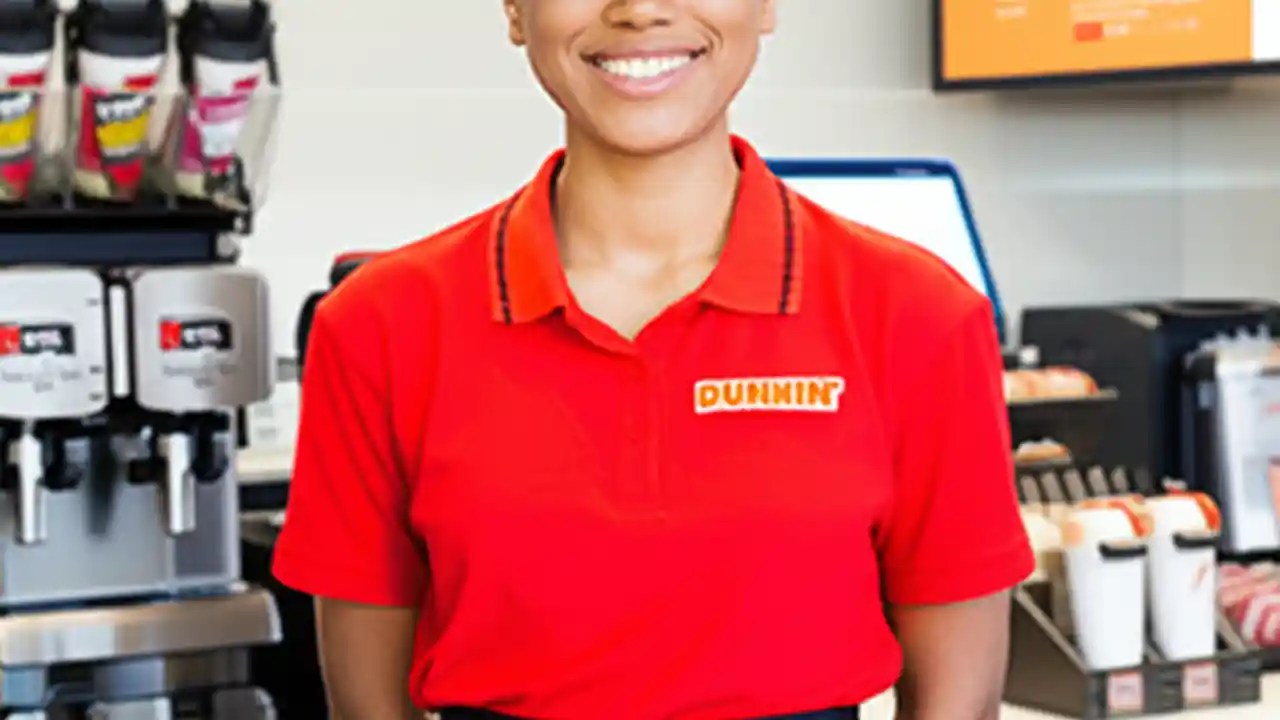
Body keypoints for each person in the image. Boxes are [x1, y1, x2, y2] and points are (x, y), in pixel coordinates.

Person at [271, 1, 1035, 719]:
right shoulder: (379, 324)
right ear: (513, 8)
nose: (638, 7)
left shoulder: (919, 317)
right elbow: (366, 705)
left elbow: (956, 704)